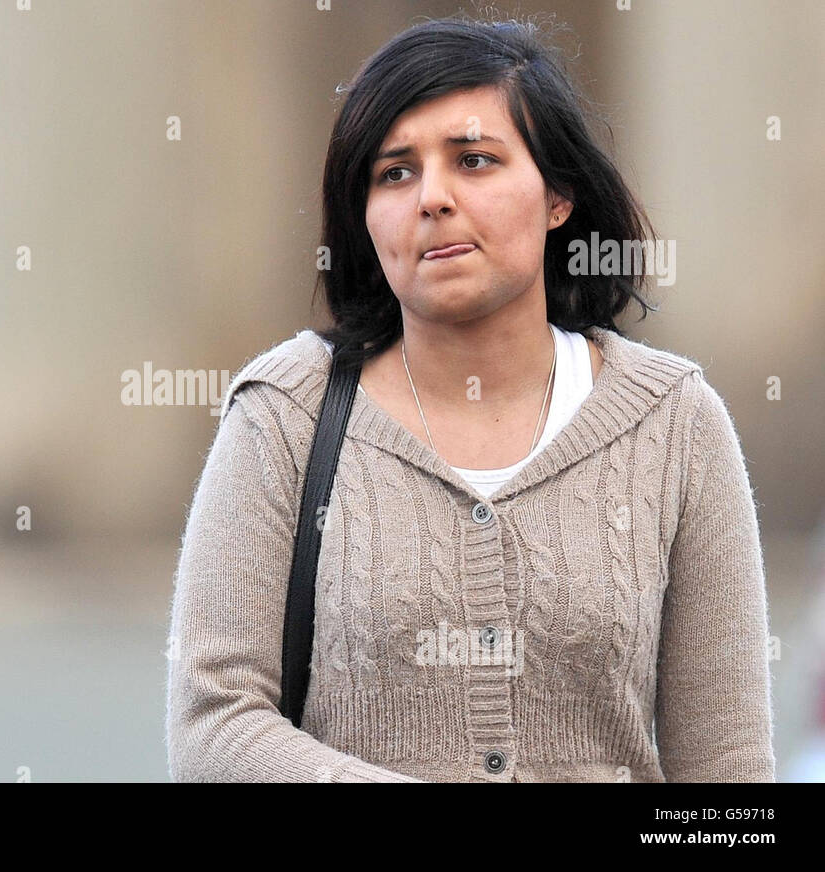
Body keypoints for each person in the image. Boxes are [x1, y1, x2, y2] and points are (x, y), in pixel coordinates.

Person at [164, 14, 775, 782]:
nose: (433, 198)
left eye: (475, 160)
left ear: (558, 197)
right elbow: (213, 725)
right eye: (395, 173)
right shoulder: (286, 414)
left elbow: (727, 783)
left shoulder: (676, 423)